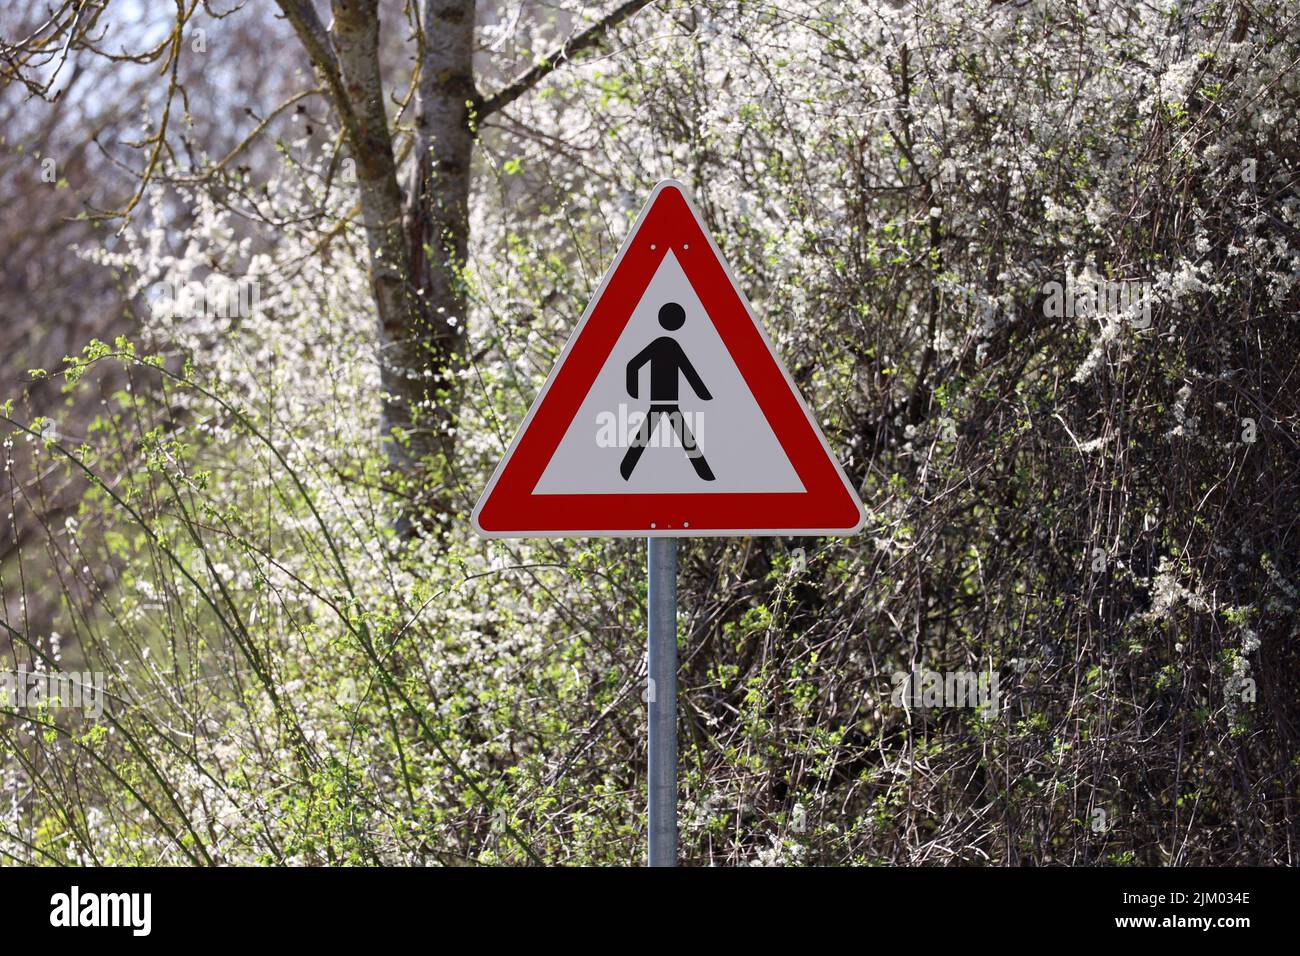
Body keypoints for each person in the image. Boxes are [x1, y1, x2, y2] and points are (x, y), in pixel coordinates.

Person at [619, 301, 716, 481]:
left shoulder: (663, 344)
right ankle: (706, 475)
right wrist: (703, 394)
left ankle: (625, 471)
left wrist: (634, 390)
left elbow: (633, 366)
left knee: (654, 436)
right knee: (680, 437)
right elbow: (688, 371)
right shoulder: (668, 345)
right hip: (666, 401)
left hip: (664, 402)